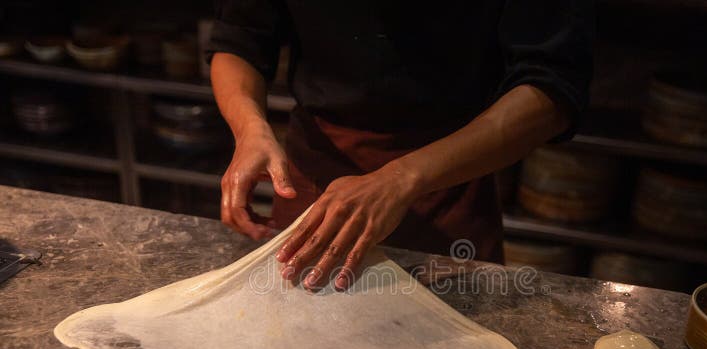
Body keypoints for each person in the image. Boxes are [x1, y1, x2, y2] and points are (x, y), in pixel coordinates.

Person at [207, 1, 593, 290]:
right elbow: (239, 39)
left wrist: (403, 177)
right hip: (315, 171)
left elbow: (551, 89)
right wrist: (249, 127)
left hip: (448, 175)